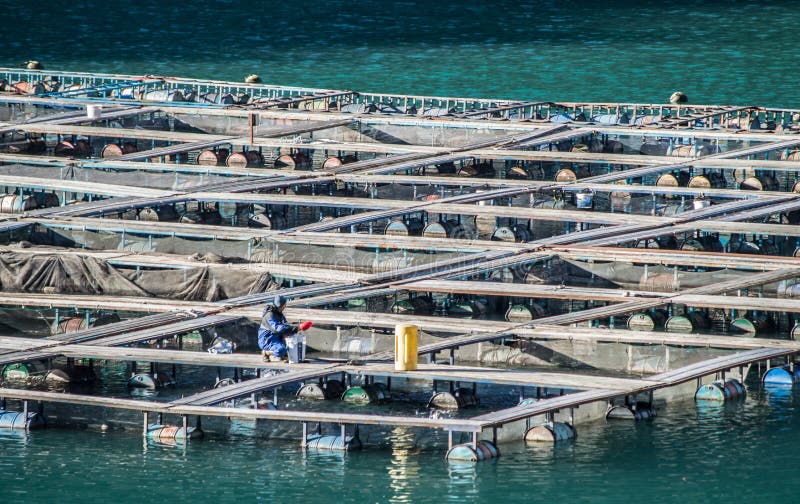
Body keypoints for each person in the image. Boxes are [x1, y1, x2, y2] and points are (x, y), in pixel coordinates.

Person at [257, 295, 297, 362]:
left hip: (277, 338)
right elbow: (277, 328)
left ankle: (282, 355)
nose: (285, 306)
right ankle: (266, 353)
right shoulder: (269, 315)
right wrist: (291, 329)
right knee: (281, 350)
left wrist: (294, 329)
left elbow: (286, 325)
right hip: (267, 340)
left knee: (292, 340)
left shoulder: (279, 314)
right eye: (285, 304)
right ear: (282, 305)